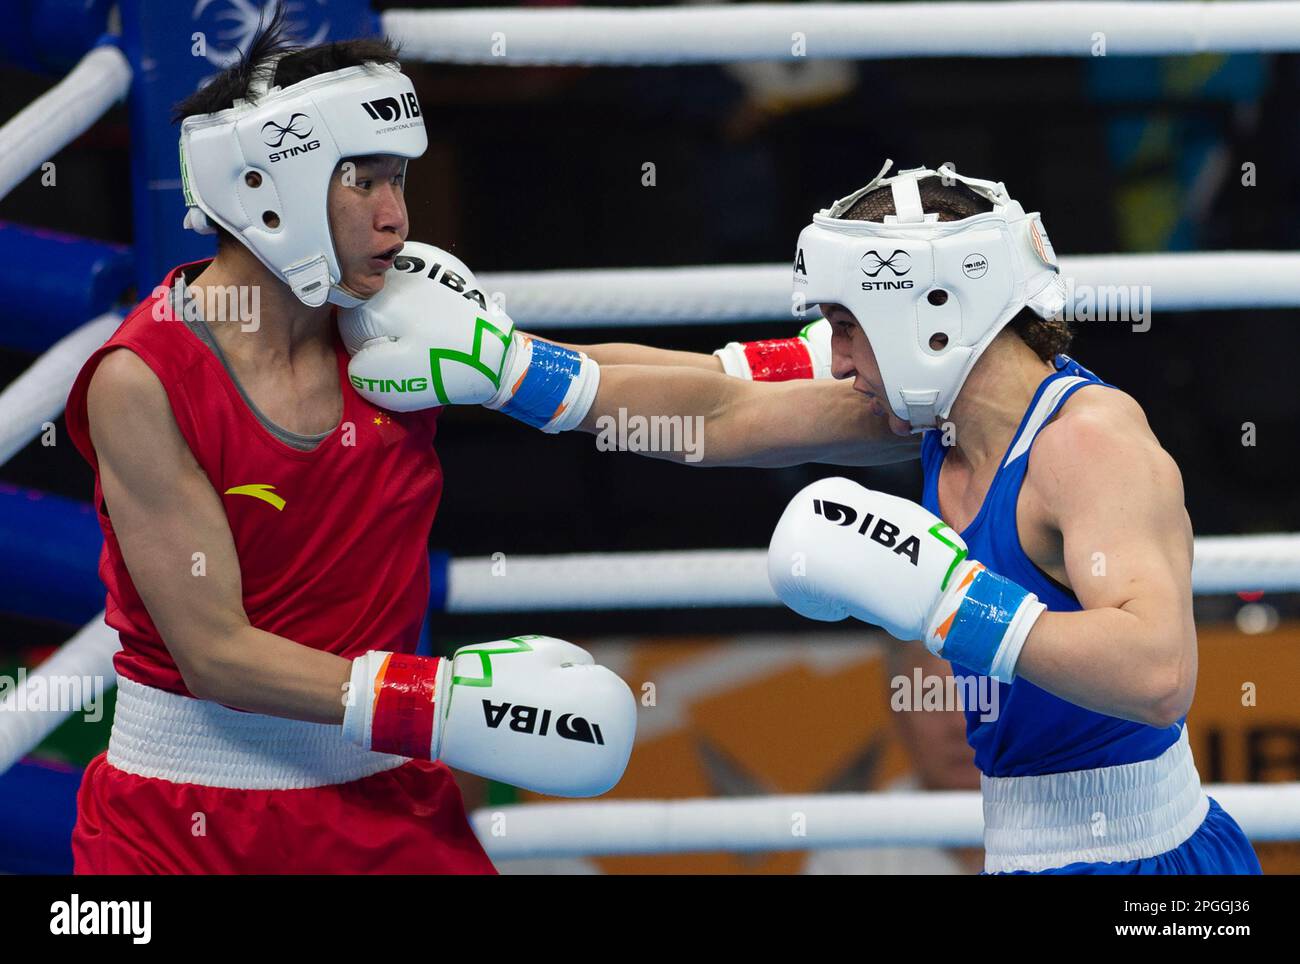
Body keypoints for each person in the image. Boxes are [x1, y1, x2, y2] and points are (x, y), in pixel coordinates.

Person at [351, 162, 1260, 874]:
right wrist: (511, 369)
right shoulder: (930, 413)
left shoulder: (1087, 443)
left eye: (848, 323)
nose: (836, 350)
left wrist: (948, 600)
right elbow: (715, 401)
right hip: (1030, 848)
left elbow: (1157, 674)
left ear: (931, 314)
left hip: (1157, 866)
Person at [64, 18, 633, 875]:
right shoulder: (144, 378)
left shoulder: (397, 329)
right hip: (180, 822)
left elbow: (604, 380)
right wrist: (440, 703)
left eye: (398, 178)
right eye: (364, 180)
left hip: (383, 799)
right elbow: (215, 653)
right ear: (270, 185)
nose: (398, 218)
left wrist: (799, 380)